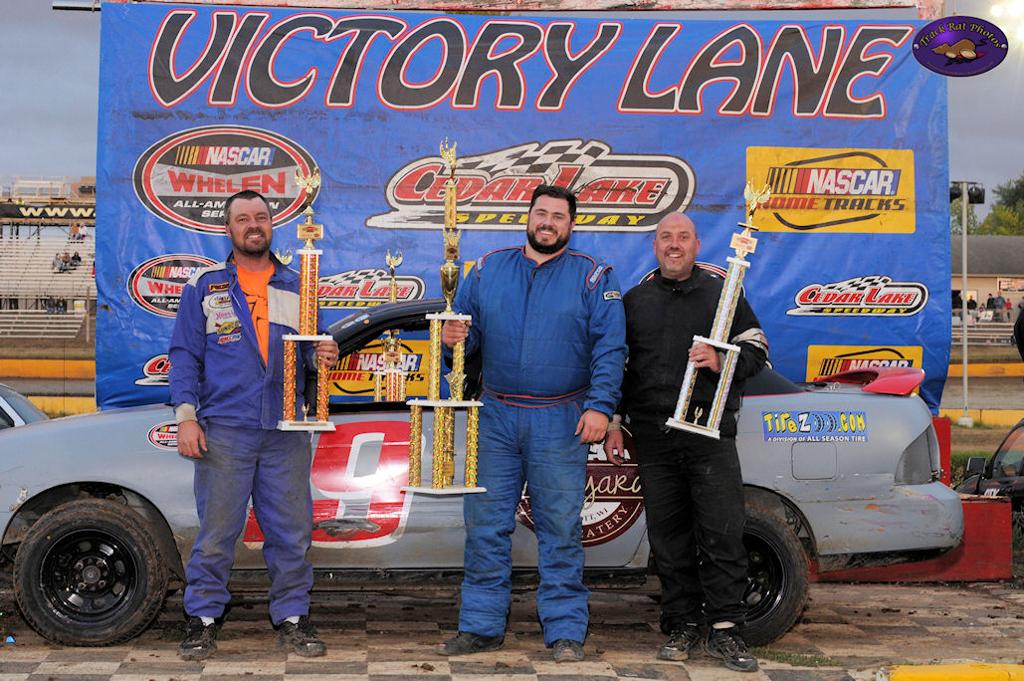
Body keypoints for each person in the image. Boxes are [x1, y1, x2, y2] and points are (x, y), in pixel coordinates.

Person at [436, 184, 626, 663]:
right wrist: (452, 339)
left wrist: (601, 406)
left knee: (560, 528)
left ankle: (564, 630)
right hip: (495, 416)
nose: (548, 222)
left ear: (570, 225)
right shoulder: (486, 269)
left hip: (562, 418)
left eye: (558, 216)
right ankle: (480, 626)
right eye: (541, 213)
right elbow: (463, 345)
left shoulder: (593, 277)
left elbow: (611, 348)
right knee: (484, 526)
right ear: (528, 217)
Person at [169, 190, 339, 661]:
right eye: (243, 219)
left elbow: (308, 351)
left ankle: (292, 619)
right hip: (225, 429)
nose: (253, 225)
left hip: (285, 430)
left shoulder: (296, 285)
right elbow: (184, 355)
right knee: (218, 532)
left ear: (271, 225)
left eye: (261, 217)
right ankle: (202, 620)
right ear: (228, 229)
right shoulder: (205, 286)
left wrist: (324, 354)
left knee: (292, 533)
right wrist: (186, 416)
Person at [604, 212, 768, 674]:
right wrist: (616, 421)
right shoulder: (635, 301)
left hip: (711, 437)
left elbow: (758, 351)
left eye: (683, 237)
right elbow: (620, 369)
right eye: (665, 238)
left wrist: (721, 359)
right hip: (654, 438)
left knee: (721, 533)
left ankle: (725, 630)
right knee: (669, 539)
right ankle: (680, 624)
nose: (673, 245)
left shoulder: (724, 295)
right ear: (654, 246)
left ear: (697, 245)